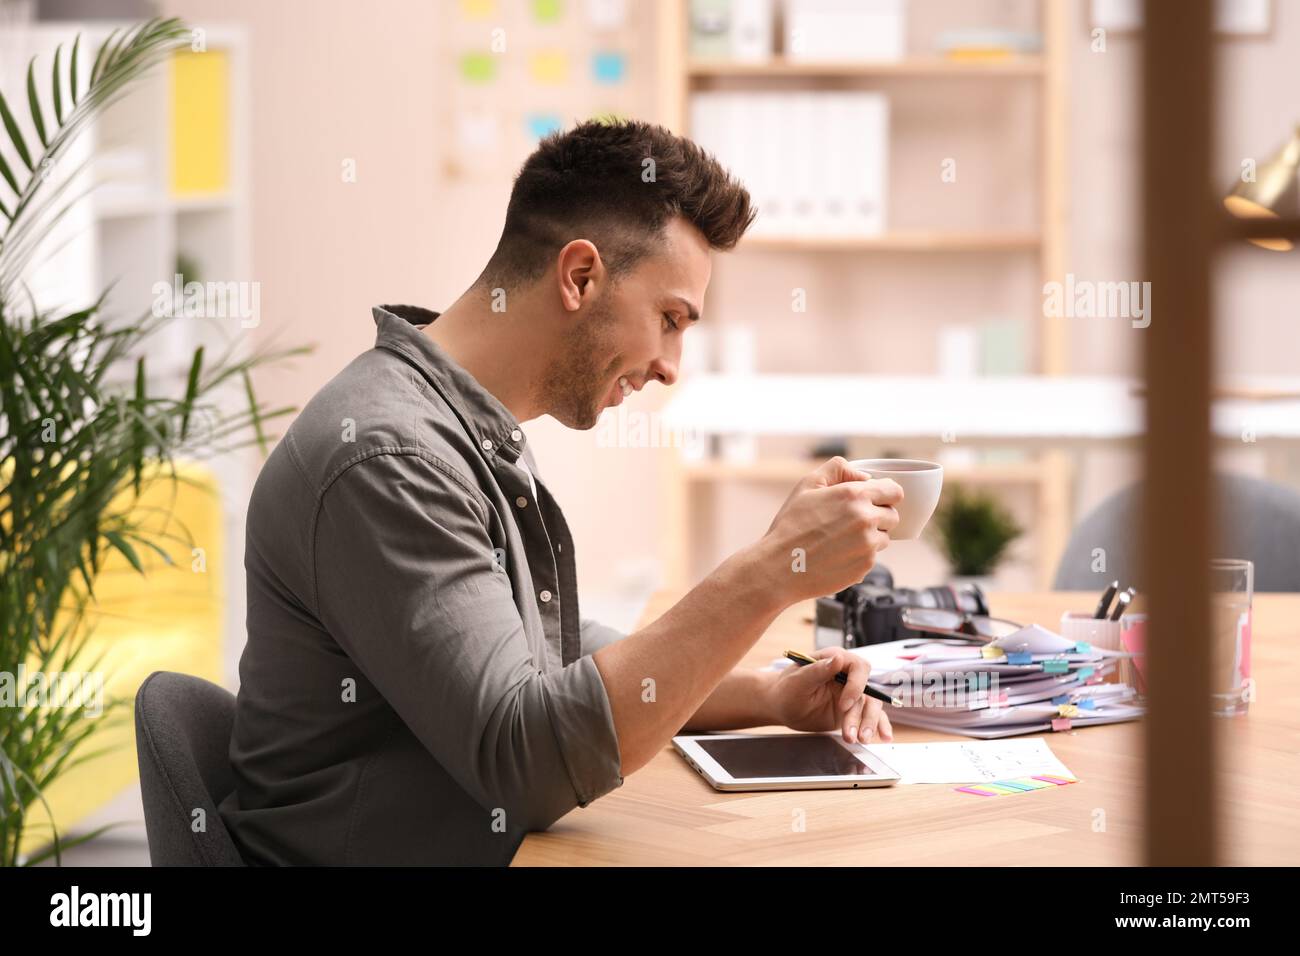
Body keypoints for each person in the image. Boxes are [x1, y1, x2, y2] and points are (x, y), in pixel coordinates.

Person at [219, 119, 902, 865]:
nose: (671, 366)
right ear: (579, 276)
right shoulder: (389, 459)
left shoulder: (456, 425)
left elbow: (548, 655)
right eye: (669, 319)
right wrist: (769, 573)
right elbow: (529, 764)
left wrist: (766, 697)